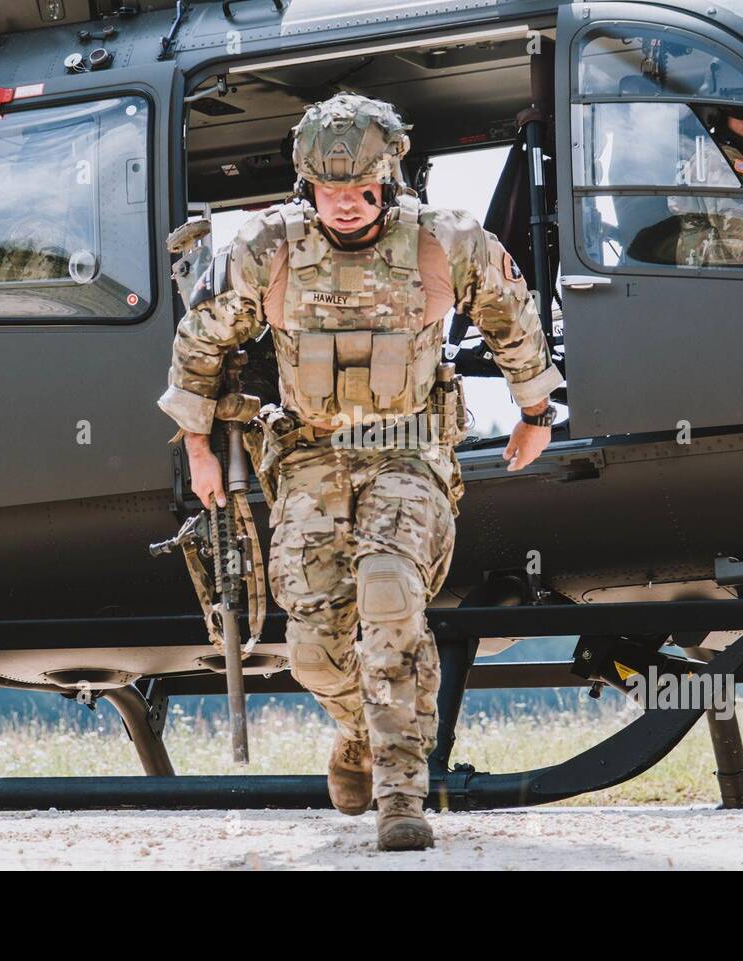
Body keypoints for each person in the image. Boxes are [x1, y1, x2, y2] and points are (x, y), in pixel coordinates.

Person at [158, 93, 563, 850]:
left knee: (389, 593)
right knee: (312, 644)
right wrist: (198, 445)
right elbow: (201, 342)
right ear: (305, 187)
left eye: (358, 192)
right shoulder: (269, 249)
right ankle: (358, 733)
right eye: (328, 192)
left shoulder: (444, 244)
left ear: (388, 183)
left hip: (409, 454)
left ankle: (400, 791)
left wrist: (534, 411)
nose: (343, 207)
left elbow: (512, 314)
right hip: (307, 456)